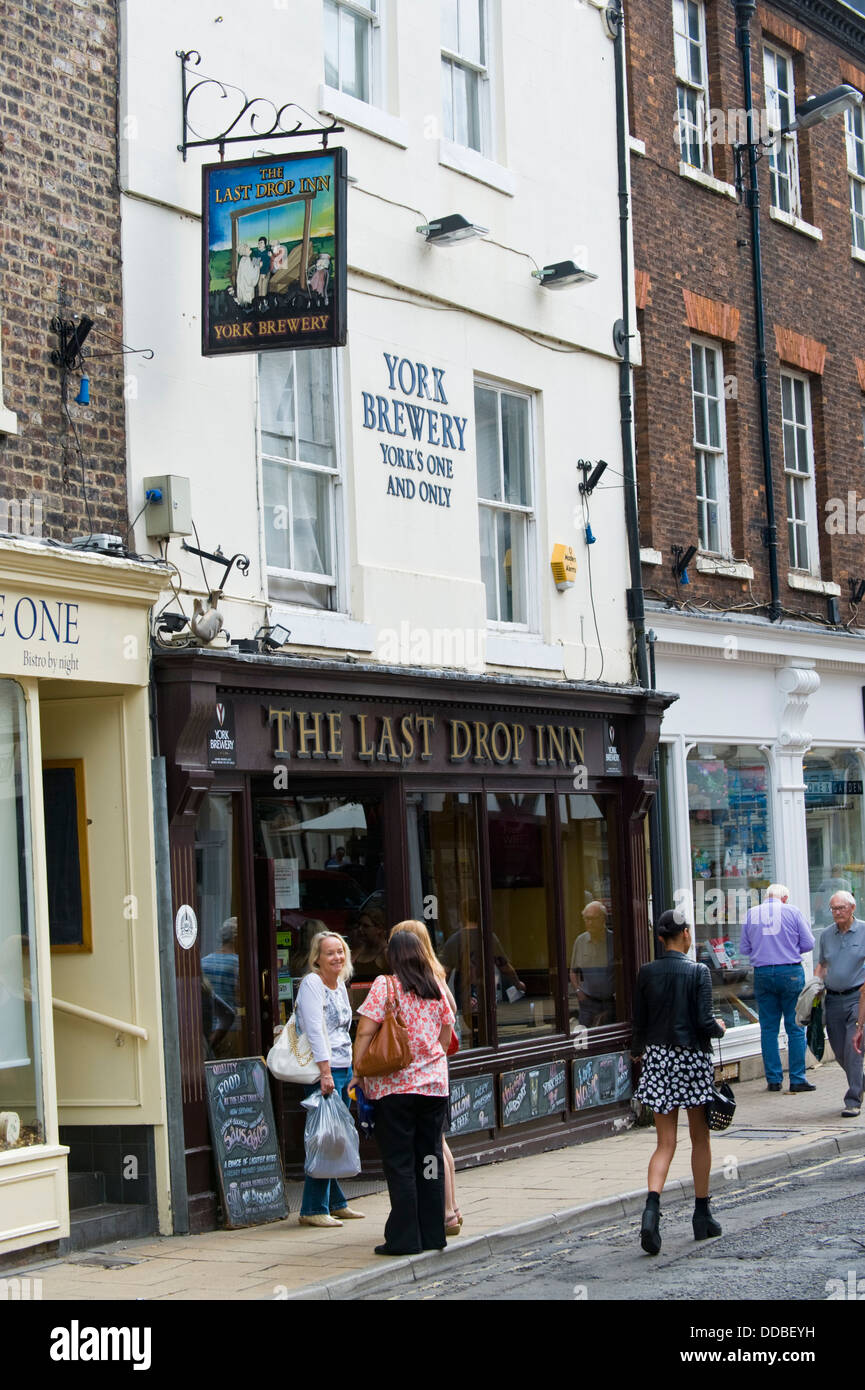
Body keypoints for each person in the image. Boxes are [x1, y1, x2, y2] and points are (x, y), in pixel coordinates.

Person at [351, 931, 453, 1256]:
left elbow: (366, 1030)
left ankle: (405, 1239)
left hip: (394, 1088)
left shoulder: (386, 985)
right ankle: (433, 1234)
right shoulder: (435, 985)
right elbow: (447, 1033)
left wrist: (358, 1072)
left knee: (400, 1162)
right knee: (429, 1158)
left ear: (392, 957)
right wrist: (428, 1057)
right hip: (434, 1086)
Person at [632, 909, 726, 1256]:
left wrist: (637, 1052)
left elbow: (638, 1022)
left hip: (658, 1058)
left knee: (664, 1143)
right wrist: (720, 1027)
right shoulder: (698, 971)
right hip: (691, 1058)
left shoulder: (646, 972)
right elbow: (704, 1022)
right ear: (685, 934)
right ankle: (702, 1216)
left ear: (660, 938)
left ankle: (651, 1212)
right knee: (699, 1138)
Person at [388, 919, 463, 1236]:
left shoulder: (422, 980)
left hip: (422, 1078)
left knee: (434, 1146)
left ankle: (445, 1213)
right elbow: (452, 1014)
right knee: (440, 1145)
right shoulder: (435, 974)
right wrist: (439, 1051)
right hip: (436, 1074)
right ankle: (452, 1209)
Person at [294, 930, 365, 1228]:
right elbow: (314, 1030)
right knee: (323, 1138)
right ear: (316, 959)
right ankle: (312, 1208)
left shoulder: (338, 985)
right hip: (324, 1069)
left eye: (340, 951)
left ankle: (335, 1203)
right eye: (330, 952)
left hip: (342, 1066)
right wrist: (325, 1073)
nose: (337, 957)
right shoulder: (313, 984)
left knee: (333, 1134)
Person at [738, 884, 815, 1093]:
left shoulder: (752, 914)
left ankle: (773, 1079)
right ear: (785, 897)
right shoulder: (792, 911)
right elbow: (809, 943)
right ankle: (797, 1078)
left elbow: (744, 948)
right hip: (790, 971)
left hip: (762, 973)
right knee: (796, 1026)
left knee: (769, 1028)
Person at [815, 891, 865, 1117]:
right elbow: (822, 965)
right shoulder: (826, 935)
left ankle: (853, 1099)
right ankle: (860, 1081)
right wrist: (814, 987)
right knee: (838, 1051)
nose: (836, 912)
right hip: (832, 998)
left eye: (841, 908)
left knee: (853, 1048)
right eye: (833, 909)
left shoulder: (863, 931)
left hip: (858, 997)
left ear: (852, 908)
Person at [569, 901, 616, 1027]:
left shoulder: (614, 941)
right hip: (587, 1003)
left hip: (609, 1002)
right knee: (587, 1038)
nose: (589, 922)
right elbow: (573, 971)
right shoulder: (580, 941)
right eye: (586, 919)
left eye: (592, 919)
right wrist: (578, 991)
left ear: (603, 919)